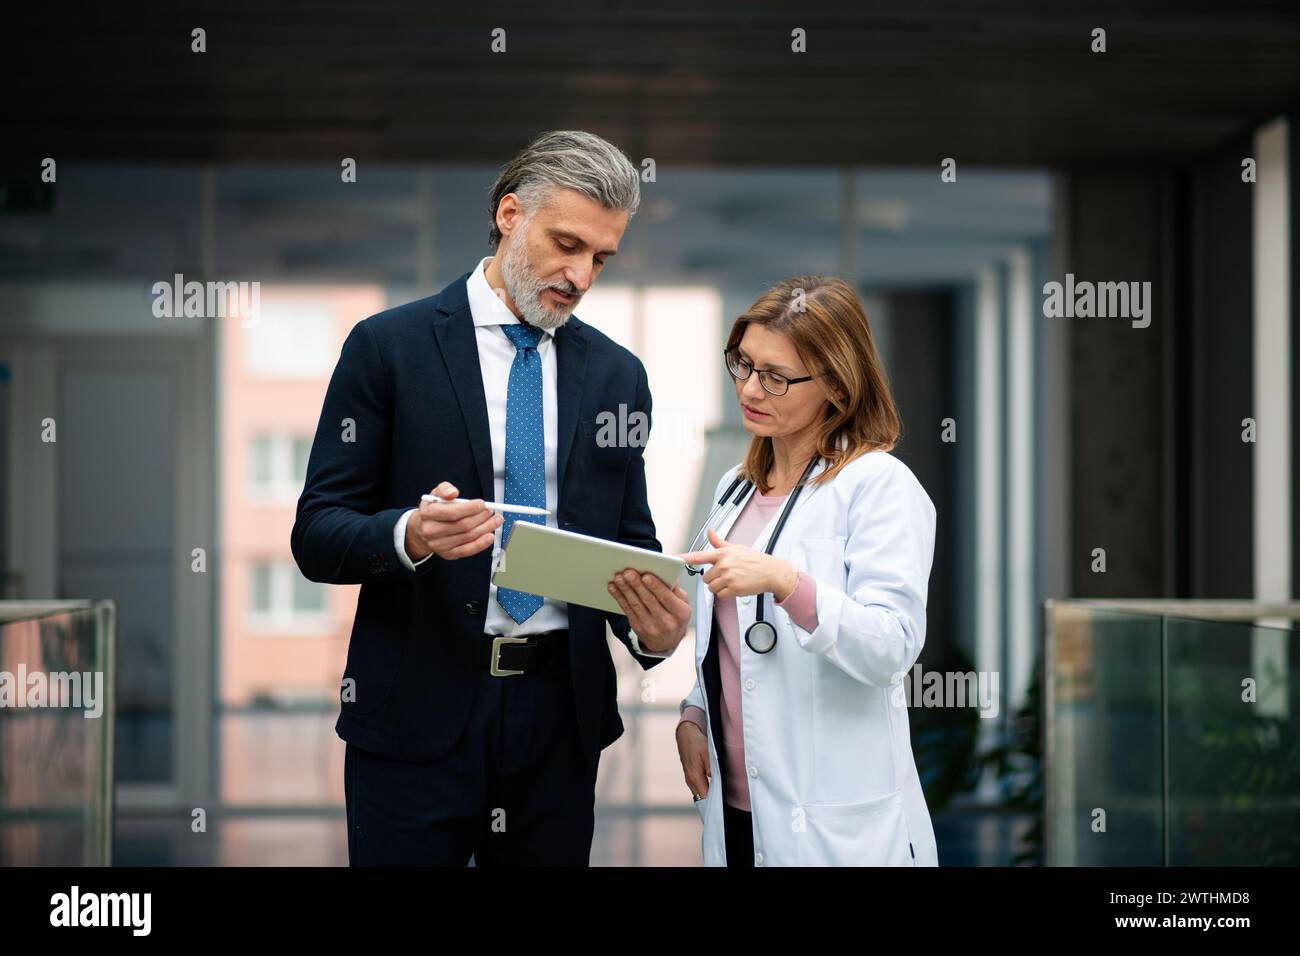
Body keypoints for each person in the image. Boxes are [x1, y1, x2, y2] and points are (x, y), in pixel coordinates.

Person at [290, 130, 691, 866]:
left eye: (600, 258)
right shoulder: (388, 347)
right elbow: (317, 533)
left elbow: (630, 542)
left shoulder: (617, 376)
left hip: (559, 723)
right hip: (416, 711)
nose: (580, 275)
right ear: (510, 214)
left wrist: (653, 632)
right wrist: (411, 533)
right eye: (566, 244)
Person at [671, 275, 938, 866]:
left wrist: (787, 583)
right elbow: (732, 642)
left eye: (776, 377)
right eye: (742, 364)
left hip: (833, 824)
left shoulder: (879, 486)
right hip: (737, 808)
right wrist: (695, 712)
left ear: (837, 386)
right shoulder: (734, 490)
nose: (750, 388)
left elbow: (892, 645)